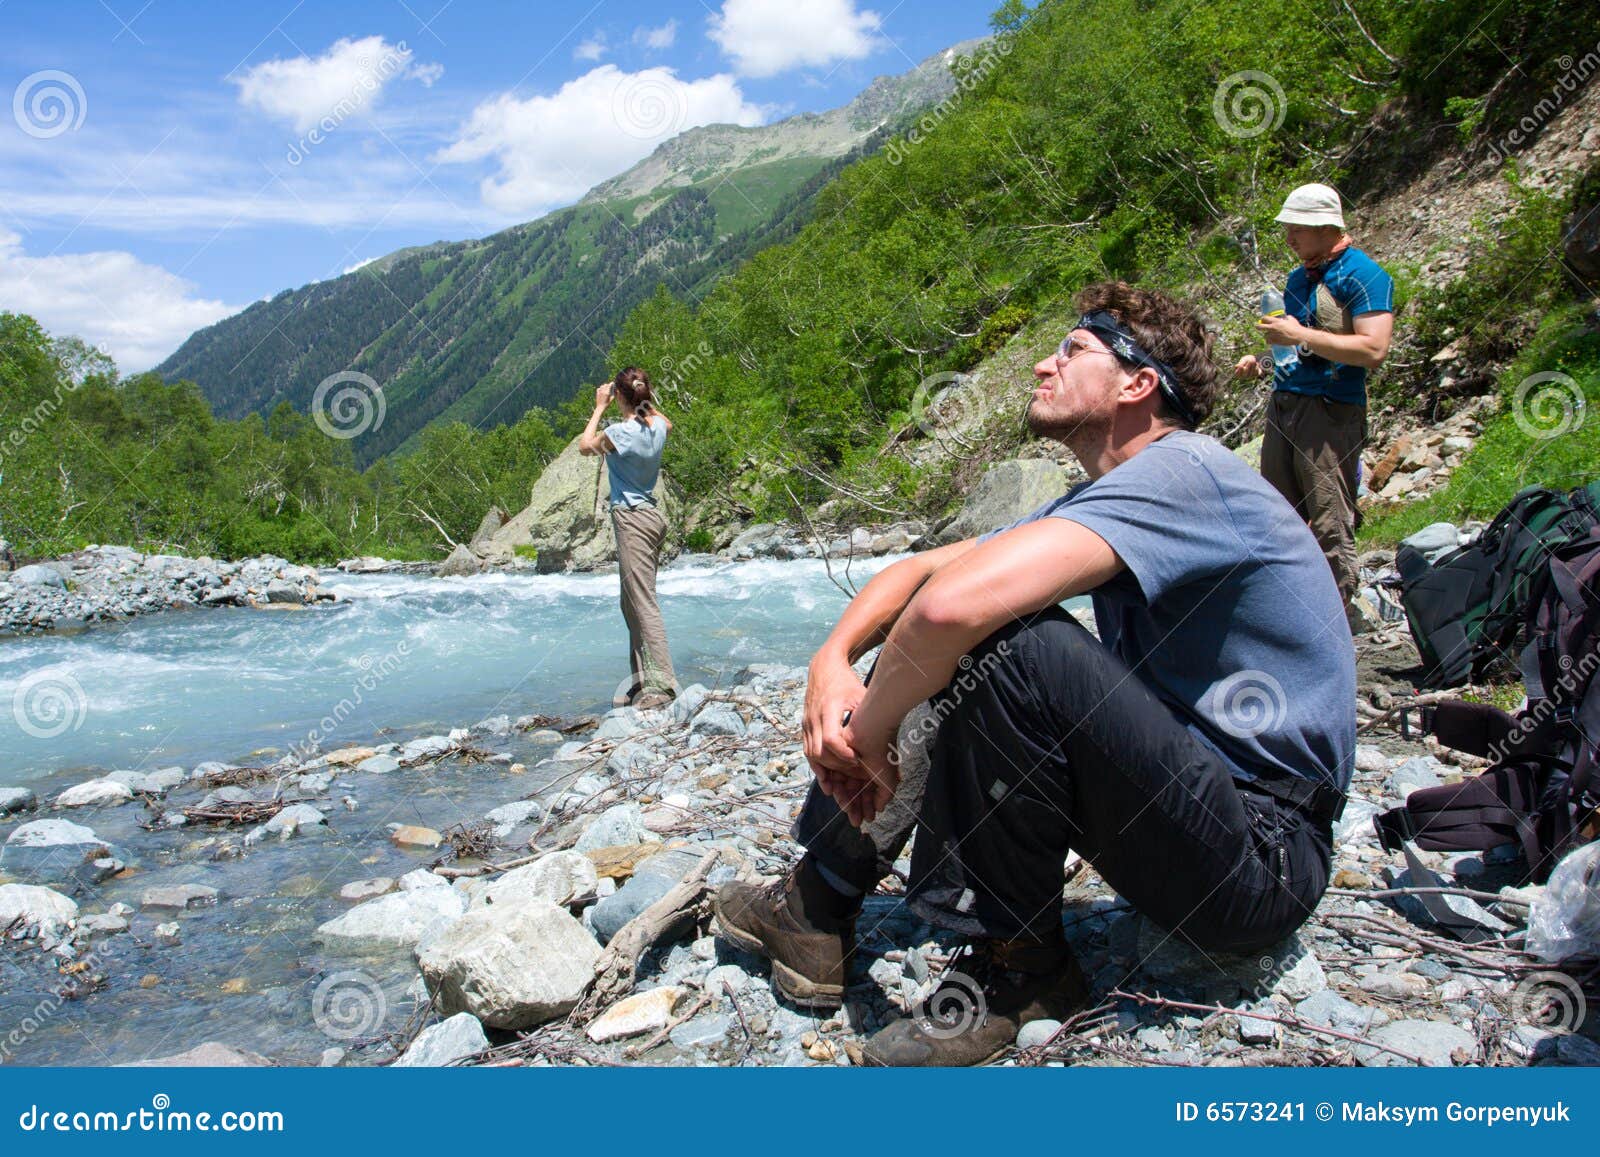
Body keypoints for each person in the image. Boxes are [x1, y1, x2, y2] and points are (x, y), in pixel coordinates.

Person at [713, 281, 1354, 1066]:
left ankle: (1026, 972)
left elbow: (950, 609)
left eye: (1072, 350)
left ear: (1138, 383)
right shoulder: (1104, 495)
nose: (1041, 368)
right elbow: (920, 574)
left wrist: (869, 732)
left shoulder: (1187, 473)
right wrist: (831, 659)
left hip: (1261, 861)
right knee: (967, 634)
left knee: (1008, 641)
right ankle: (815, 905)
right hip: (1189, 822)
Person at [1235, 182, 1395, 609]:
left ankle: (1337, 617)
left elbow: (1374, 350)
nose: (1289, 238)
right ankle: (1288, 609)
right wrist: (1262, 362)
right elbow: (1296, 352)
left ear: (1326, 226)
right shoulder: (1298, 279)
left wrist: (1299, 332)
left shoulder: (1365, 275)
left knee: (1328, 518)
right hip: (1285, 406)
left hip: (1330, 411)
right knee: (1275, 515)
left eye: (1297, 229)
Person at [578, 367, 678, 710]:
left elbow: (584, 446)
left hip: (632, 521)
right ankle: (640, 681)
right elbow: (664, 420)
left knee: (643, 603)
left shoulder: (619, 433)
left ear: (619, 396)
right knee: (630, 602)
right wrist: (642, 401)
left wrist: (599, 407)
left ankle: (663, 685)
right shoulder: (658, 428)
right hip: (652, 517)